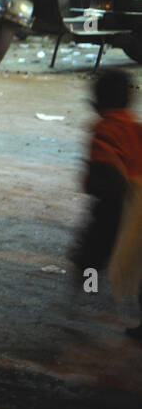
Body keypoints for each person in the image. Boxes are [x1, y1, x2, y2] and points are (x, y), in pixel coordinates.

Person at [69, 70, 142, 339]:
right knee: (136, 259)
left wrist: (95, 186)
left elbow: (103, 167)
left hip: (113, 205)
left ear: (95, 104)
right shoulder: (135, 127)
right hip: (138, 207)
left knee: (92, 251)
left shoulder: (103, 129)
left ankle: (86, 287)